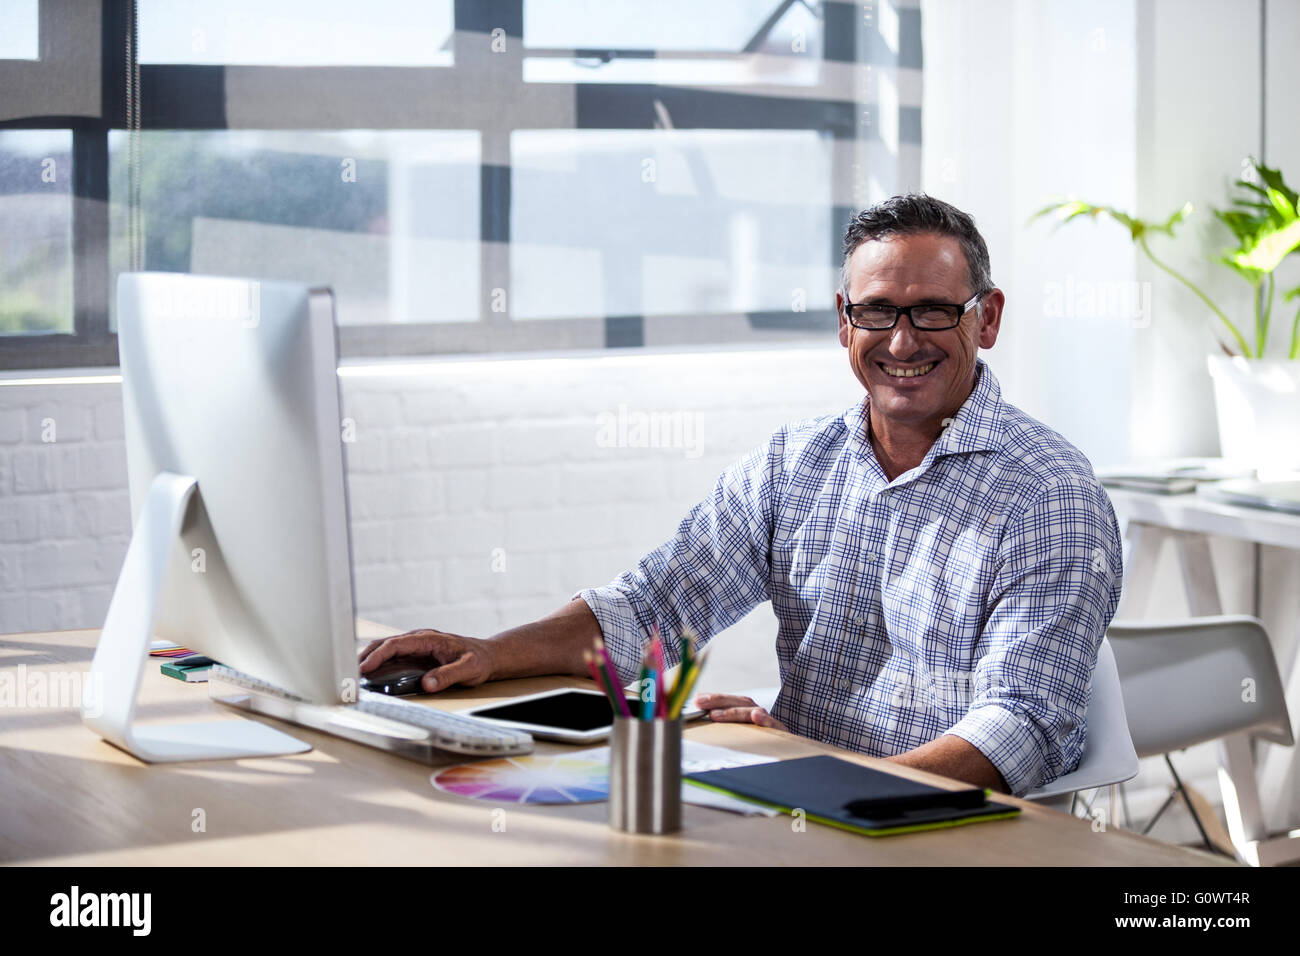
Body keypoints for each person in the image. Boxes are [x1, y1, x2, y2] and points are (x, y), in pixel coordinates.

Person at [358, 193, 1123, 797]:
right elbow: (650, 611)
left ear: (985, 319)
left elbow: (1020, 725)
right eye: (877, 311)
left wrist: (830, 783)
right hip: (799, 804)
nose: (901, 341)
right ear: (843, 320)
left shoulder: (1047, 496)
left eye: (932, 311)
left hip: (935, 830)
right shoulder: (795, 465)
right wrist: (488, 654)